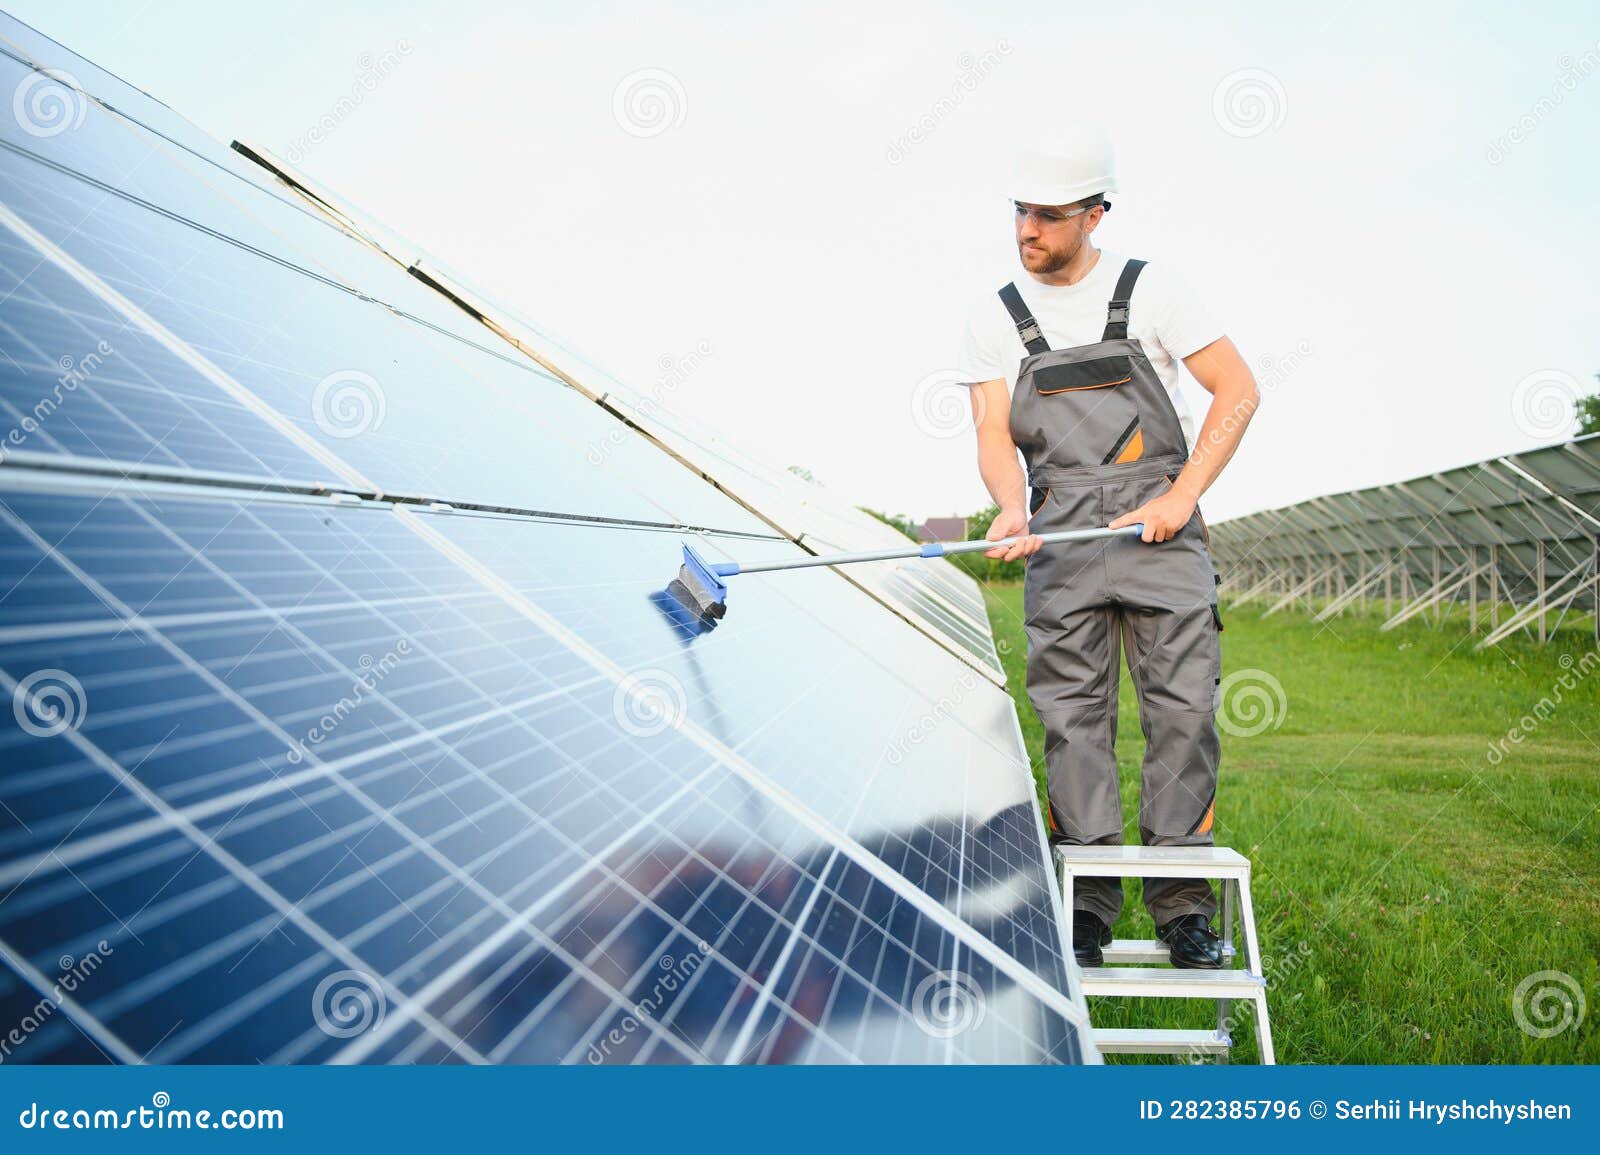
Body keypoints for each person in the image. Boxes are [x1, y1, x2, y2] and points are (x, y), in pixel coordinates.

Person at [957, 126, 1260, 969]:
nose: (1029, 232)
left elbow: (1238, 391)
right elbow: (991, 428)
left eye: (1049, 217)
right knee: (1071, 723)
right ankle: (1085, 904)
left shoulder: (1155, 291)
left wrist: (1182, 495)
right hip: (1061, 540)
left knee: (1185, 717)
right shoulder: (993, 317)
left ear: (1095, 214)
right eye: (1020, 213)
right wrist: (1011, 506)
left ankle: (1182, 909)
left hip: (1161, 536)